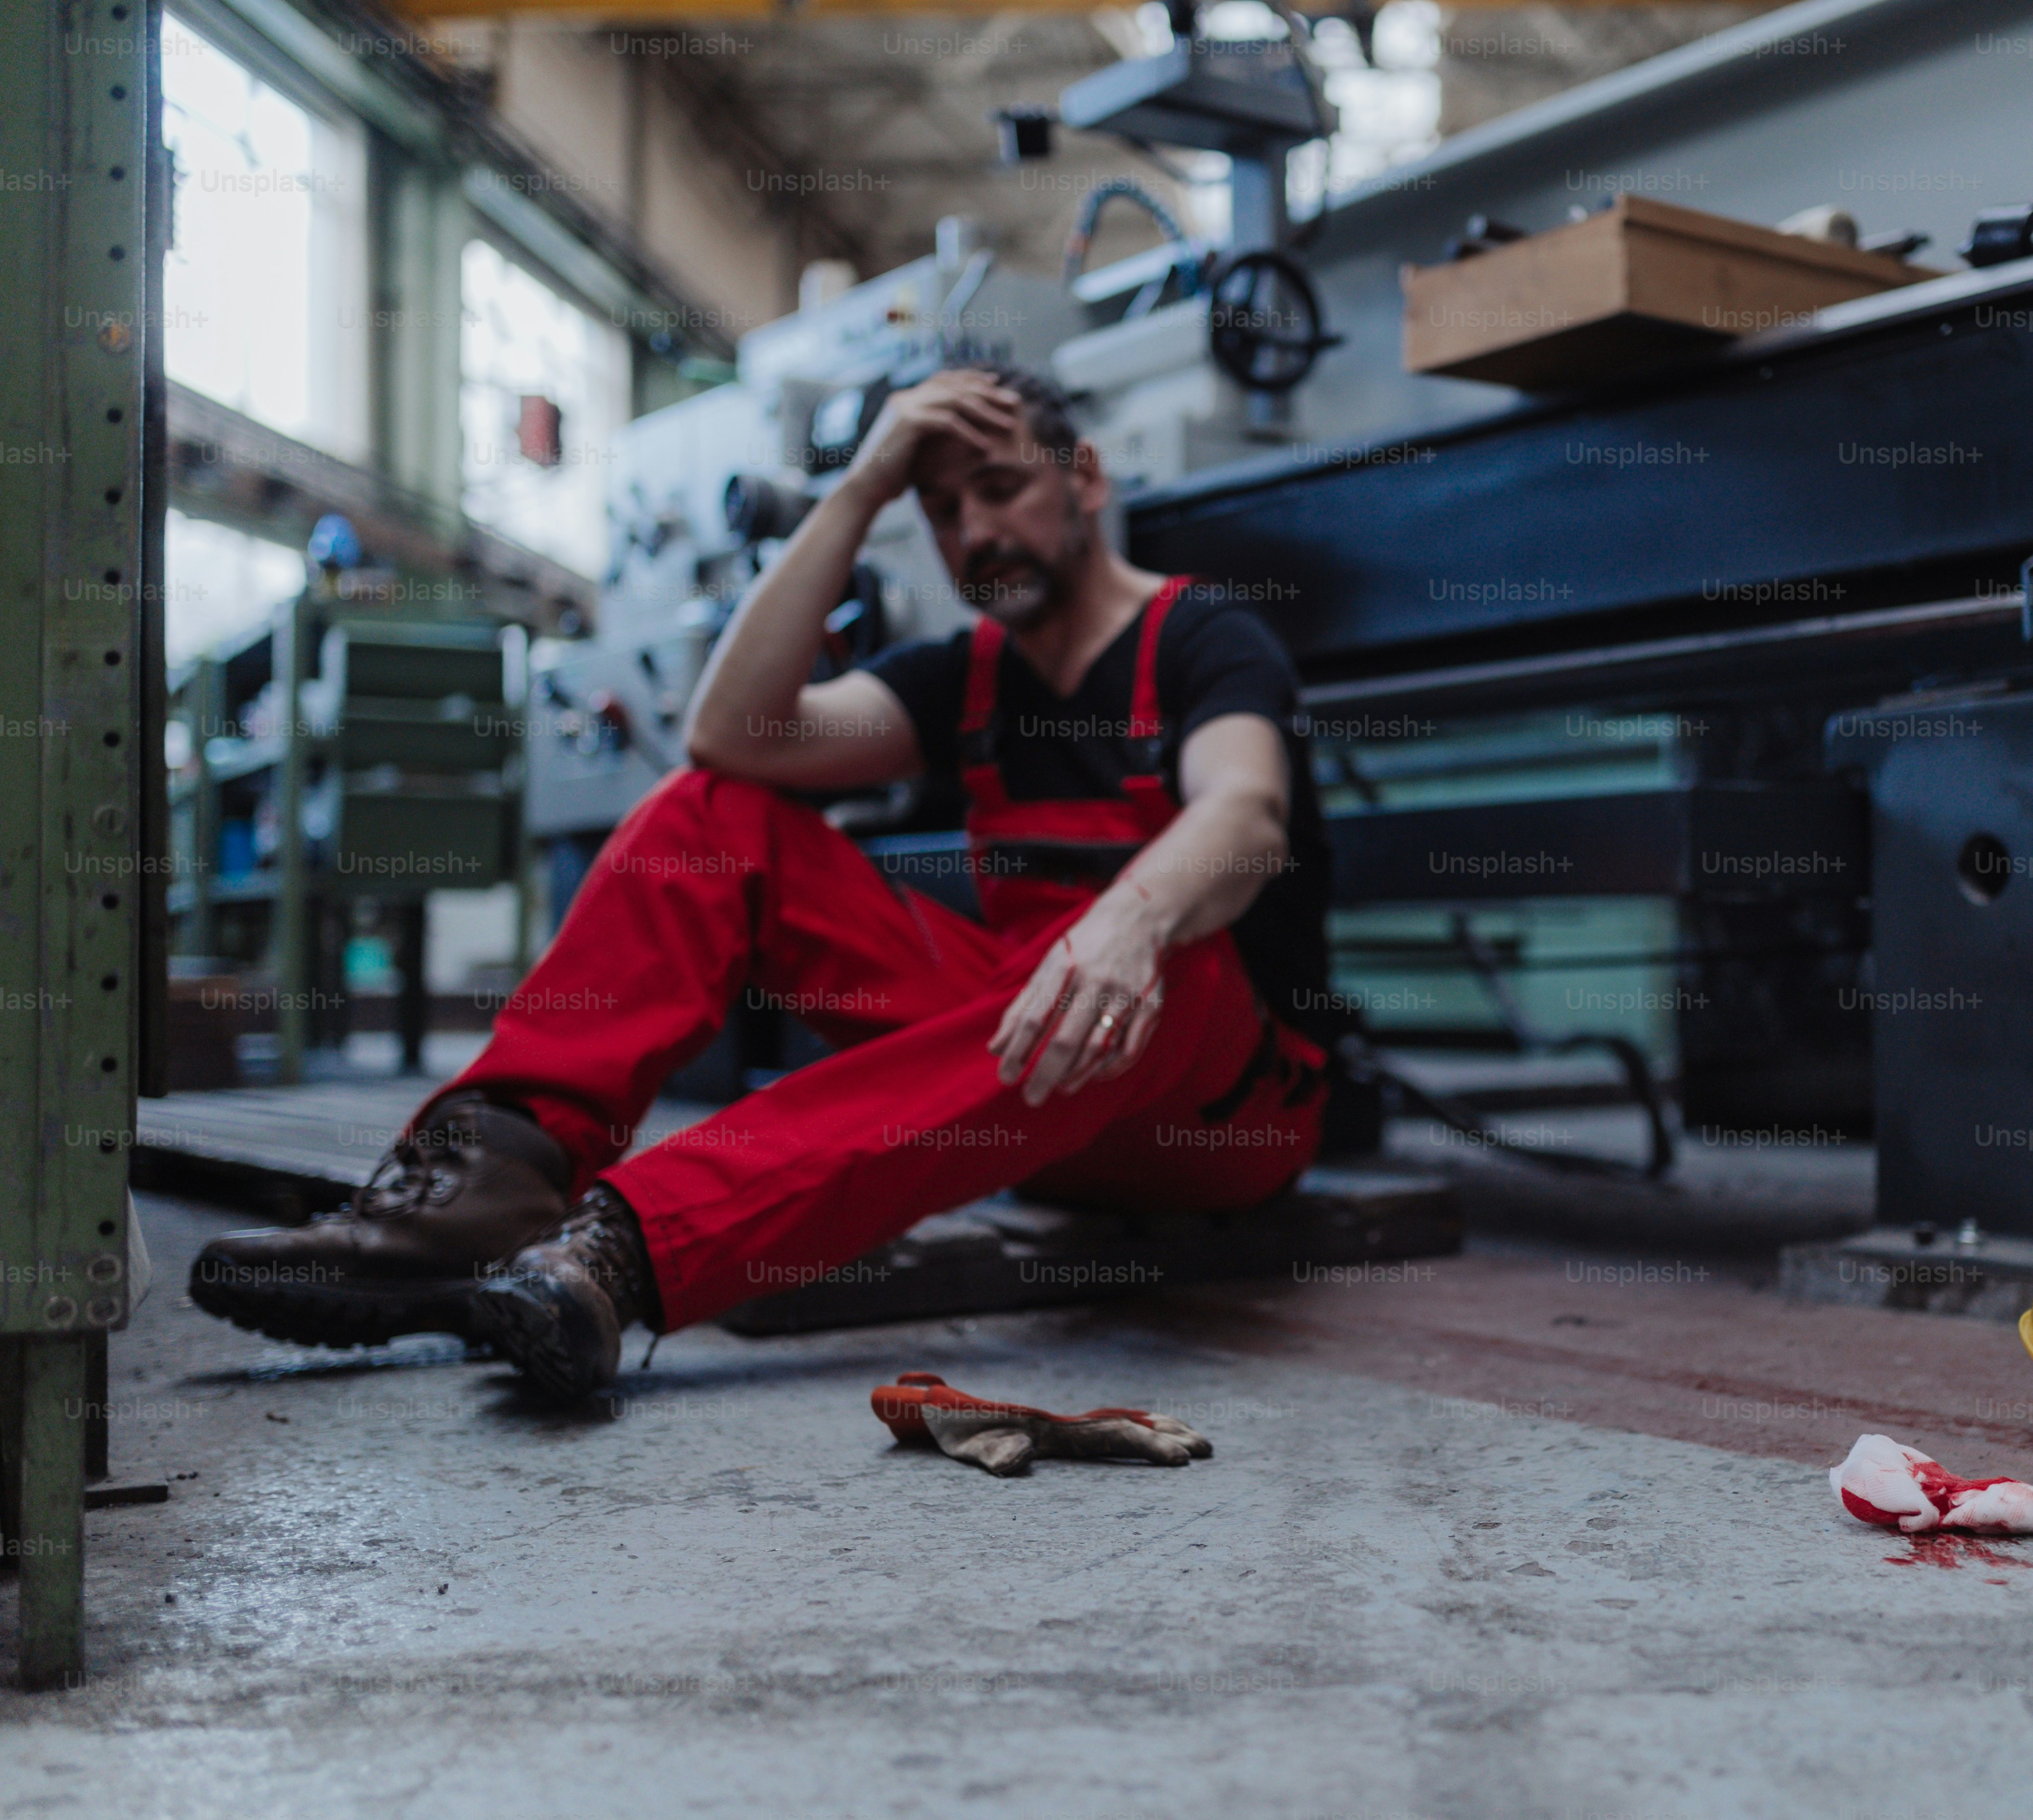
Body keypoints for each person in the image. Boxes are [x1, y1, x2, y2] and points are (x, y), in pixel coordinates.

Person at [191, 364, 1340, 1401]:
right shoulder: (966, 676)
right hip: (1022, 1054)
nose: (974, 529)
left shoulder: (1203, 637)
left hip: (1214, 1103)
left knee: (1167, 945)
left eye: (999, 488)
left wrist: (1132, 925)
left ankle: (628, 1249)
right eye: (941, 508)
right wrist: (861, 486)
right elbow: (732, 736)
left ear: (1084, 478)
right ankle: (494, 1181)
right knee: (711, 817)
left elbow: (1244, 811)